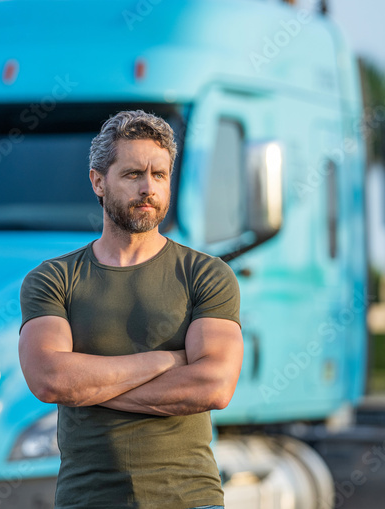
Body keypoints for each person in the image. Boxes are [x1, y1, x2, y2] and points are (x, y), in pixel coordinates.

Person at [17, 109, 244, 509]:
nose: (148, 188)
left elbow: (214, 386)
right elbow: (50, 380)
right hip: (88, 500)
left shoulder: (206, 274)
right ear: (98, 182)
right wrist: (166, 361)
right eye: (133, 174)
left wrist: (88, 388)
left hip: (189, 499)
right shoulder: (54, 279)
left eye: (159, 175)